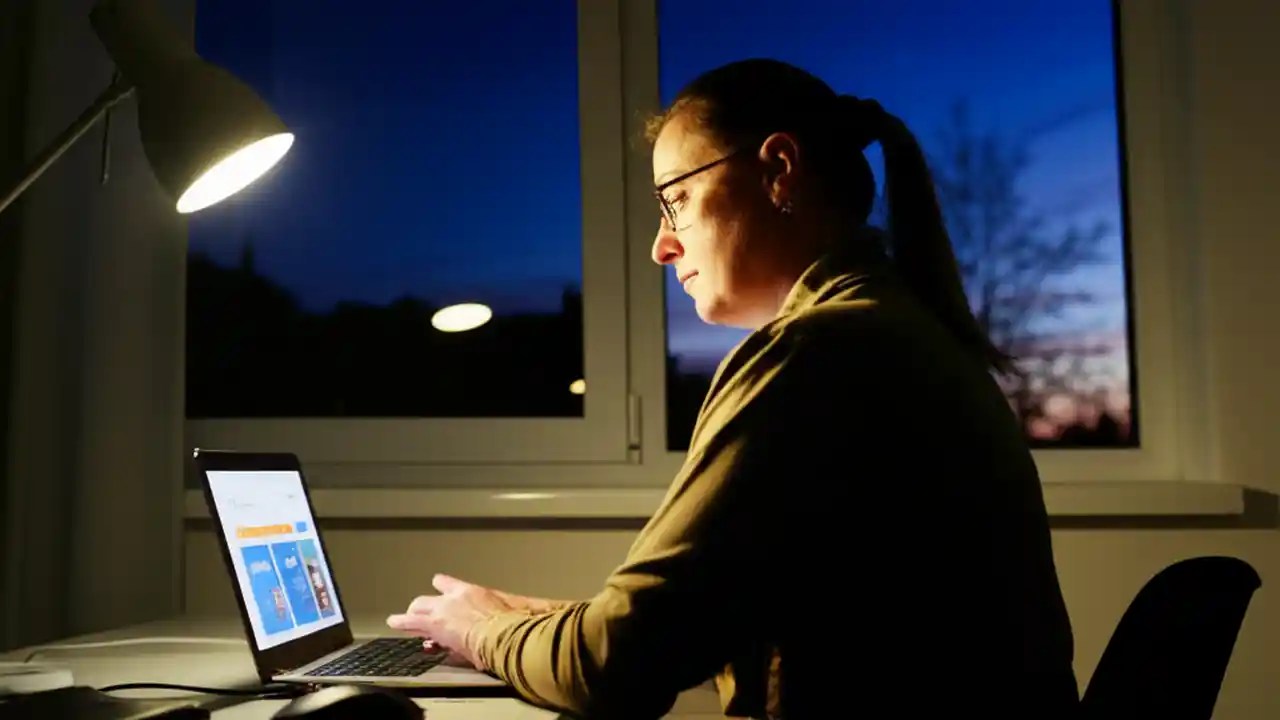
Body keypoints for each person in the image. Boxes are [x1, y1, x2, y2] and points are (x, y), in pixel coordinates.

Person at [387, 58, 1078, 719]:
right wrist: (528, 622)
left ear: (778, 170)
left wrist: (482, 634)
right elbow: (681, 626)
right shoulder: (890, 330)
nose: (662, 244)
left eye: (676, 199)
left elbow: (616, 670)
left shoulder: (816, 353)